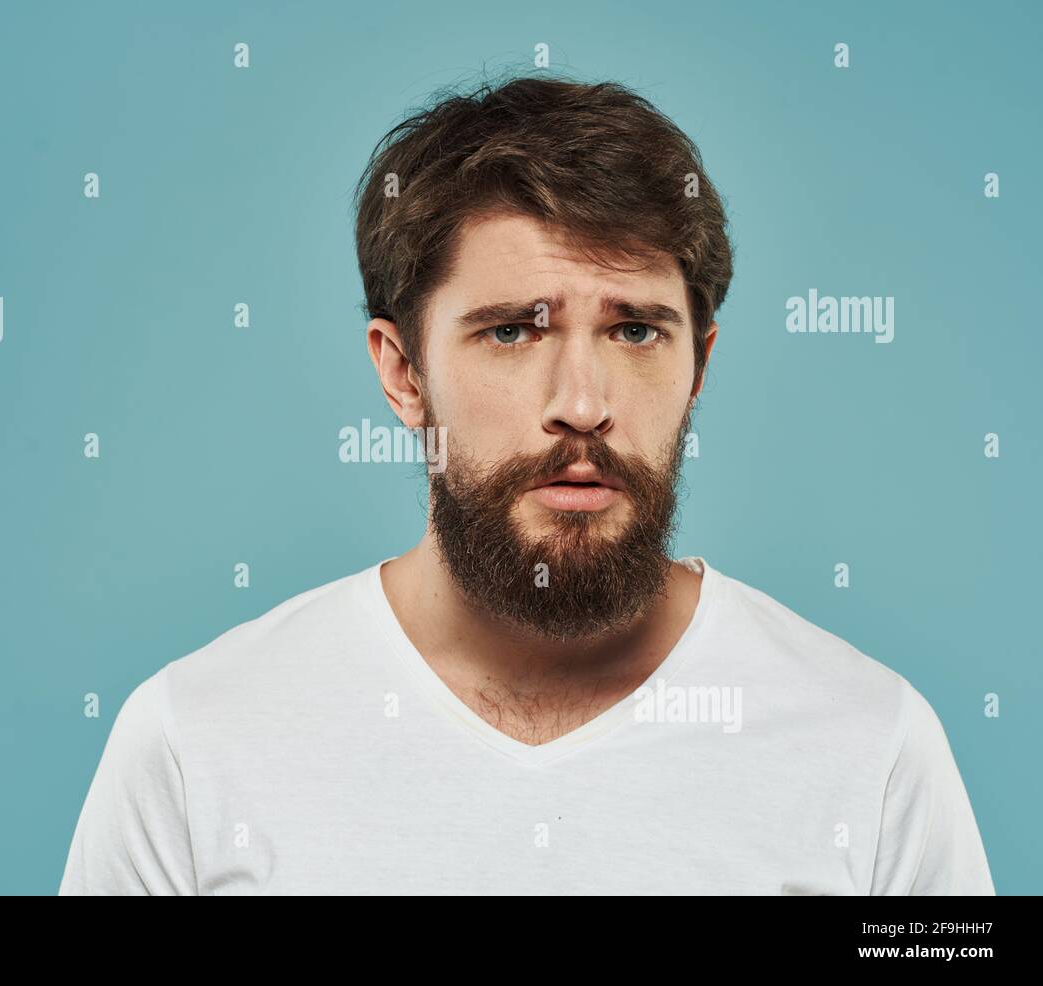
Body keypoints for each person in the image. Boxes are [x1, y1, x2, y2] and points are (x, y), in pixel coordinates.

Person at [58, 74, 993, 895]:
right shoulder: (196, 744)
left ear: (699, 365)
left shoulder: (870, 745)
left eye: (635, 330)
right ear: (402, 372)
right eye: (513, 331)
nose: (582, 404)